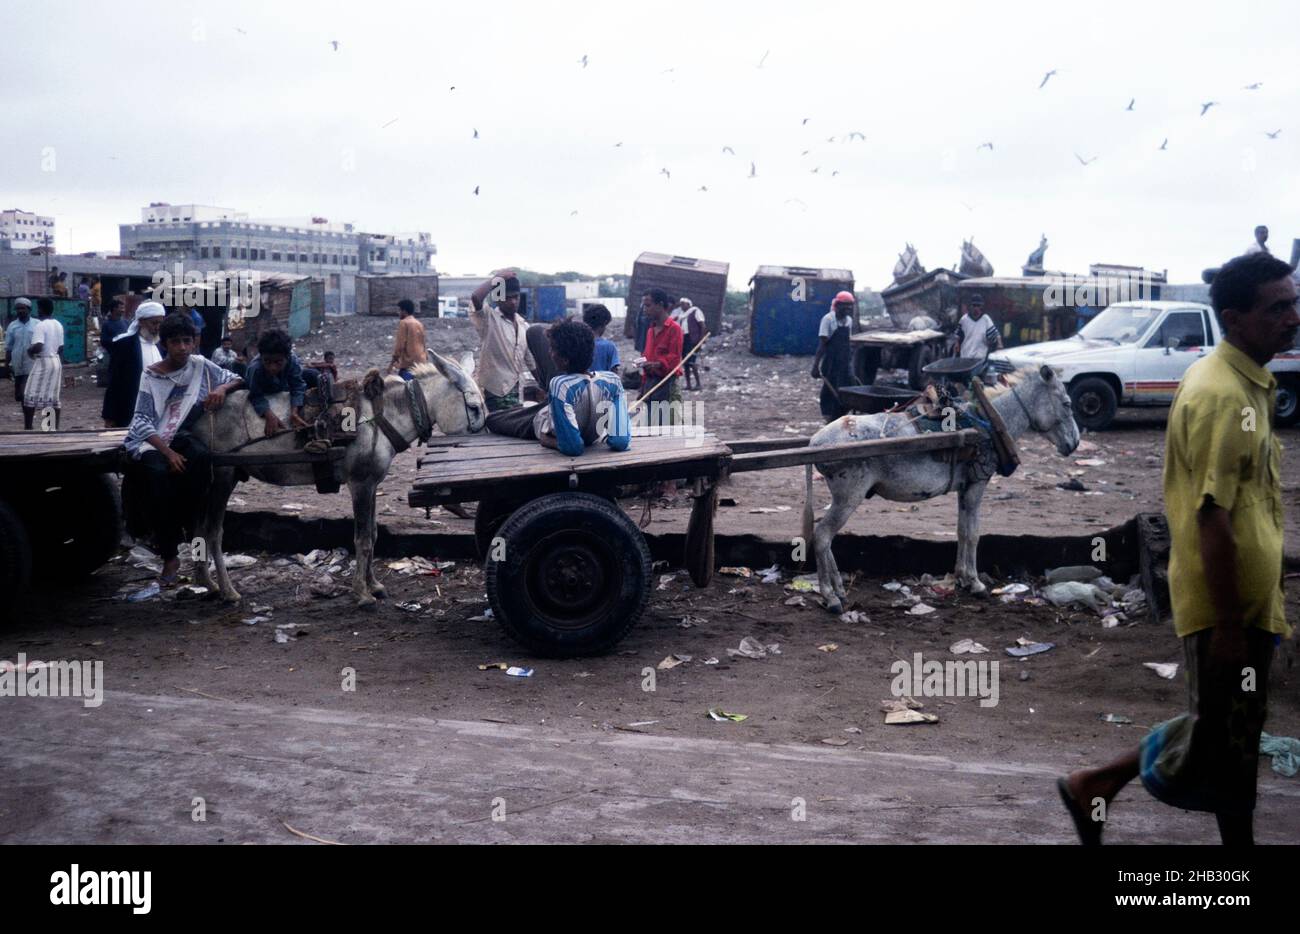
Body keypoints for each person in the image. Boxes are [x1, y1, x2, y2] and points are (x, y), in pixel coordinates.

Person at [1059, 252, 1297, 846]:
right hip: (1230, 607)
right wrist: (1227, 625)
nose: (1293, 317)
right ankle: (1098, 783)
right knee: (1231, 735)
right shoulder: (1224, 396)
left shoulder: (1245, 383)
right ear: (1236, 318)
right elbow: (1211, 516)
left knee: (1226, 727)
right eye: (1279, 307)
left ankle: (1098, 783)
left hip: (1245, 601)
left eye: (1294, 303)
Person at [123, 313, 243, 583]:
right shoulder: (151, 375)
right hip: (152, 440)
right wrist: (168, 453)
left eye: (187, 341)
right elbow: (141, 421)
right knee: (157, 476)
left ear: (194, 342)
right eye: (176, 342)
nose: (182, 348)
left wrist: (221, 389)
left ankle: (192, 525)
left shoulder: (200, 365)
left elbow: (235, 377)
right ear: (165, 344)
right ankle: (169, 554)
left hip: (180, 436)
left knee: (202, 461)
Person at [531, 319, 630, 456]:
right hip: (555, 410)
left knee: (498, 420)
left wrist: (545, 439)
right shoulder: (613, 381)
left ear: (565, 360)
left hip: (542, 418)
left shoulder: (561, 385)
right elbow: (620, 441)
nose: (550, 353)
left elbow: (573, 447)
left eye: (552, 348)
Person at [469, 270, 534, 411]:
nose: (513, 302)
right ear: (499, 298)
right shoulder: (489, 320)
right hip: (495, 392)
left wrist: (545, 386)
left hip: (517, 391)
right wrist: (497, 279)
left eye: (516, 297)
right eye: (508, 298)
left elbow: (531, 363)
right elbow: (476, 297)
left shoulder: (524, 325)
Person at [102, 301, 166, 428]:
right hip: (130, 408)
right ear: (141, 321)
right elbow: (114, 381)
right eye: (154, 323)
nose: (157, 327)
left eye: (160, 323)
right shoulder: (126, 344)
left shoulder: (159, 345)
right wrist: (109, 417)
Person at [245, 328, 317, 437]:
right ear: (262, 357)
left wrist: (294, 411)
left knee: (313, 374)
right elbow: (255, 395)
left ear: (287, 357)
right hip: (266, 389)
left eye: (278, 362)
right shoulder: (255, 368)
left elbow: (297, 386)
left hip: (283, 387)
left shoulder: (292, 360)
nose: (272, 367)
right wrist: (269, 415)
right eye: (267, 362)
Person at [638, 288, 683, 429]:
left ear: (660, 305)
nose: (645, 309)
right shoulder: (650, 330)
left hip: (666, 384)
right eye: (644, 305)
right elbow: (647, 356)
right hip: (650, 384)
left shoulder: (674, 329)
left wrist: (657, 365)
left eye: (648, 305)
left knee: (666, 429)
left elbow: (674, 359)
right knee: (650, 426)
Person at [811, 291, 857, 422]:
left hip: (844, 360)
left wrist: (850, 361)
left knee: (846, 386)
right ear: (837, 305)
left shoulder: (849, 320)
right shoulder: (828, 319)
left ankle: (840, 414)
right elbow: (822, 345)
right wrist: (816, 366)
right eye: (845, 305)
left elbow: (848, 342)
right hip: (831, 360)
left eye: (850, 305)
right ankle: (828, 415)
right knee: (830, 387)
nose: (848, 308)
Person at [22, 298, 64, 430]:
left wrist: (30, 350)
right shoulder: (58, 324)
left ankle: (28, 428)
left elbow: (38, 345)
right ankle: (49, 428)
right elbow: (61, 348)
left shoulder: (40, 325)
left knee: (29, 394)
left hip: (44, 361)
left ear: (40, 309)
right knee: (50, 396)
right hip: (56, 361)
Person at [955, 291, 1002, 384]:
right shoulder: (964, 319)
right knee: (965, 382)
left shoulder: (985, 319)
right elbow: (958, 335)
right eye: (974, 305)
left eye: (978, 305)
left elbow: (996, 334)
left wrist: (1000, 344)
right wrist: (957, 344)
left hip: (979, 358)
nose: (976, 308)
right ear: (970, 306)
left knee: (978, 382)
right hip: (966, 357)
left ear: (982, 307)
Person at [4, 298, 37, 422]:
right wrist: (7, 366)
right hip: (17, 364)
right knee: (20, 396)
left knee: (26, 394)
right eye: (18, 308)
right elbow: (8, 347)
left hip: (32, 364)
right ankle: (27, 420)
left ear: (29, 309)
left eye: (23, 308)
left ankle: (28, 424)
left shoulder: (37, 324)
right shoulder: (13, 326)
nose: (20, 311)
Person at [388, 299, 428, 381]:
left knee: (404, 389)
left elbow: (399, 346)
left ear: (404, 311)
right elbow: (423, 344)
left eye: (399, 310)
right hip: (421, 364)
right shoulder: (419, 324)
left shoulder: (404, 323)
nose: (398, 313)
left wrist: (391, 364)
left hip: (409, 365)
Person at [671, 297, 706, 390]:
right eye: (681, 304)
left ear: (688, 304)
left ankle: (698, 384)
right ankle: (688, 384)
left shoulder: (695, 311)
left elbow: (702, 325)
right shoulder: (682, 315)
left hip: (692, 339)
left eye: (683, 304)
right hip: (684, 339)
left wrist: (701, 340)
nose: (681, 306)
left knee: (692, 361)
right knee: (685, 362)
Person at [583, 303, 621, 375]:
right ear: (604, 323)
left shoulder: (580, 344)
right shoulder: (609, 346)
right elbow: (614, 372)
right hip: (604, 385)